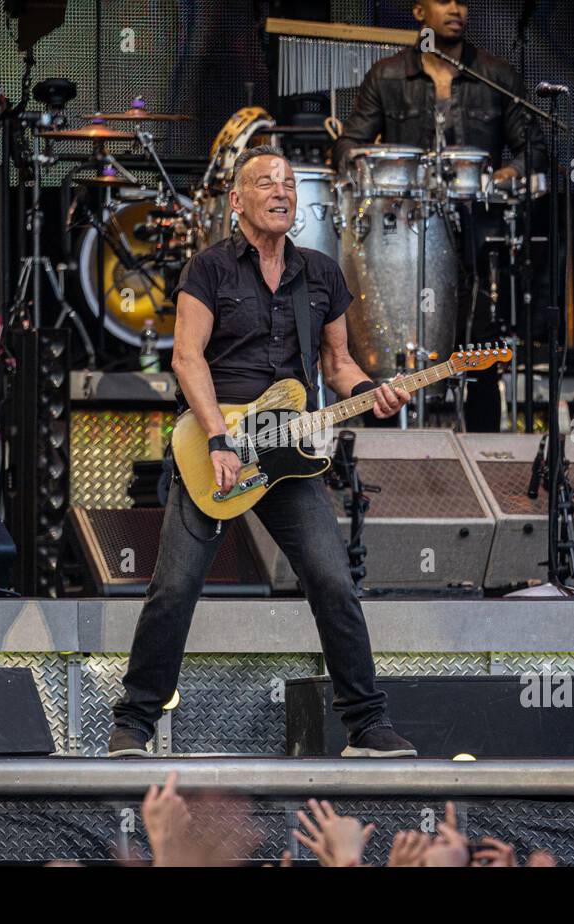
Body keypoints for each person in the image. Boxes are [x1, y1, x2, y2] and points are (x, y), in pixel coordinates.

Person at [109, 146, 417, 758]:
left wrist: (370, 392)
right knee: (174, 588)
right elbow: (186, 357)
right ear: (237, 200)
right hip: (213, 445)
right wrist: (219, 437)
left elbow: (337, 363)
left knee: (332, 578)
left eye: (288, 184)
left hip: (287, 452)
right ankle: (134, 724)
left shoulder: (322, 273)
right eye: (265, 182)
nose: (282, 192)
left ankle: (364, 724)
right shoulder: (209, 269)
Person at [333, 0, 548, 431]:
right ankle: (389, 443)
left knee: (481, 339)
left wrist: (508, 171)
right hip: (409, 234)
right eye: (444, 0)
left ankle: (485, 446)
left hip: (479, 227)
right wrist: (381, 169)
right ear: (418, 12)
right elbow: (347, 148)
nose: (457, 8)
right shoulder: (388, 75)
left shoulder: (496, 75)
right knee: (398, 336)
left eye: (463, 2)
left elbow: (535, 148)